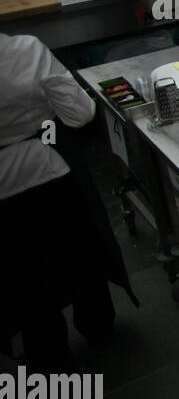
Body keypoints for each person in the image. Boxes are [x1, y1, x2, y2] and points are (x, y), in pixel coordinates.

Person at [0, 33, 137, 374]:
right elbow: (79, 114)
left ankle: (49, 356)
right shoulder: (26, 50)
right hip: (49, 168)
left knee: (24, 275)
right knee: (80, 253)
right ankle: (98, 327)